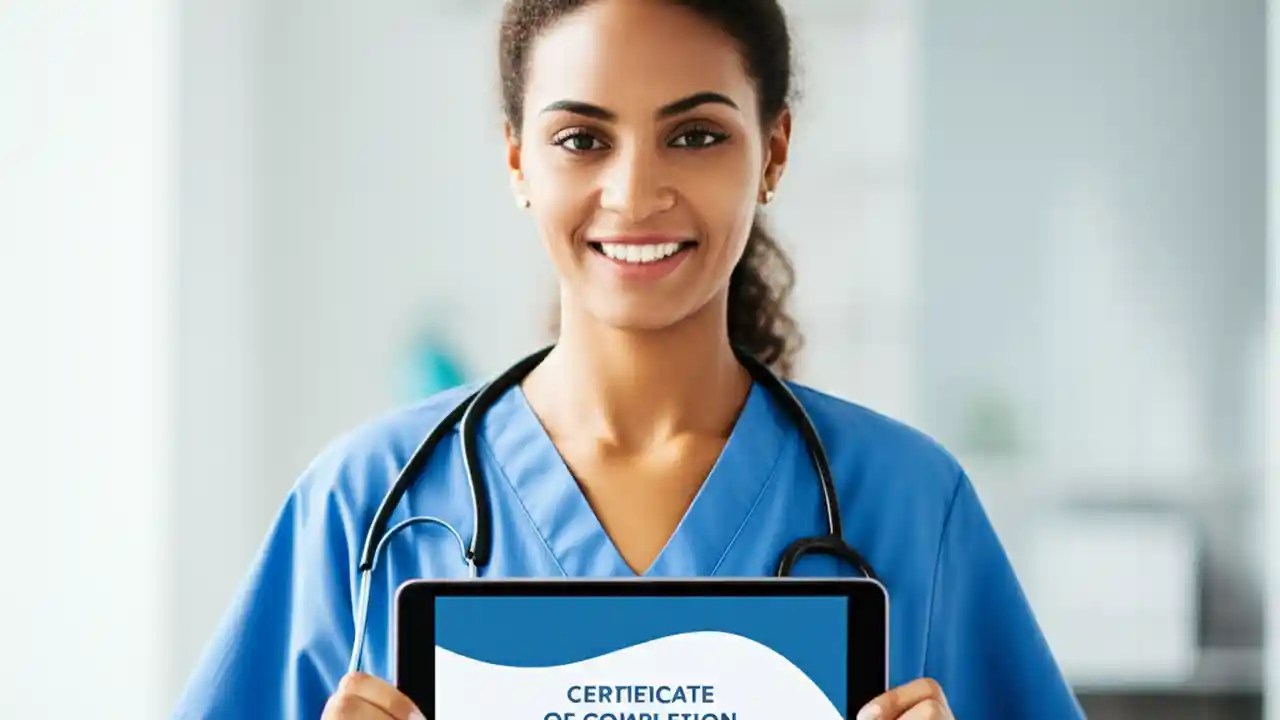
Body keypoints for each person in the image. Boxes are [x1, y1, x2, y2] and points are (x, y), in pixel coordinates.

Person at [173, 1, 1085, 718]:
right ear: (518, 161)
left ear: (773, 152)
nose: (636, 191)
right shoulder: (365, 504)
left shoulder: (911, 504)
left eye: (695, 135)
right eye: (582, 139)